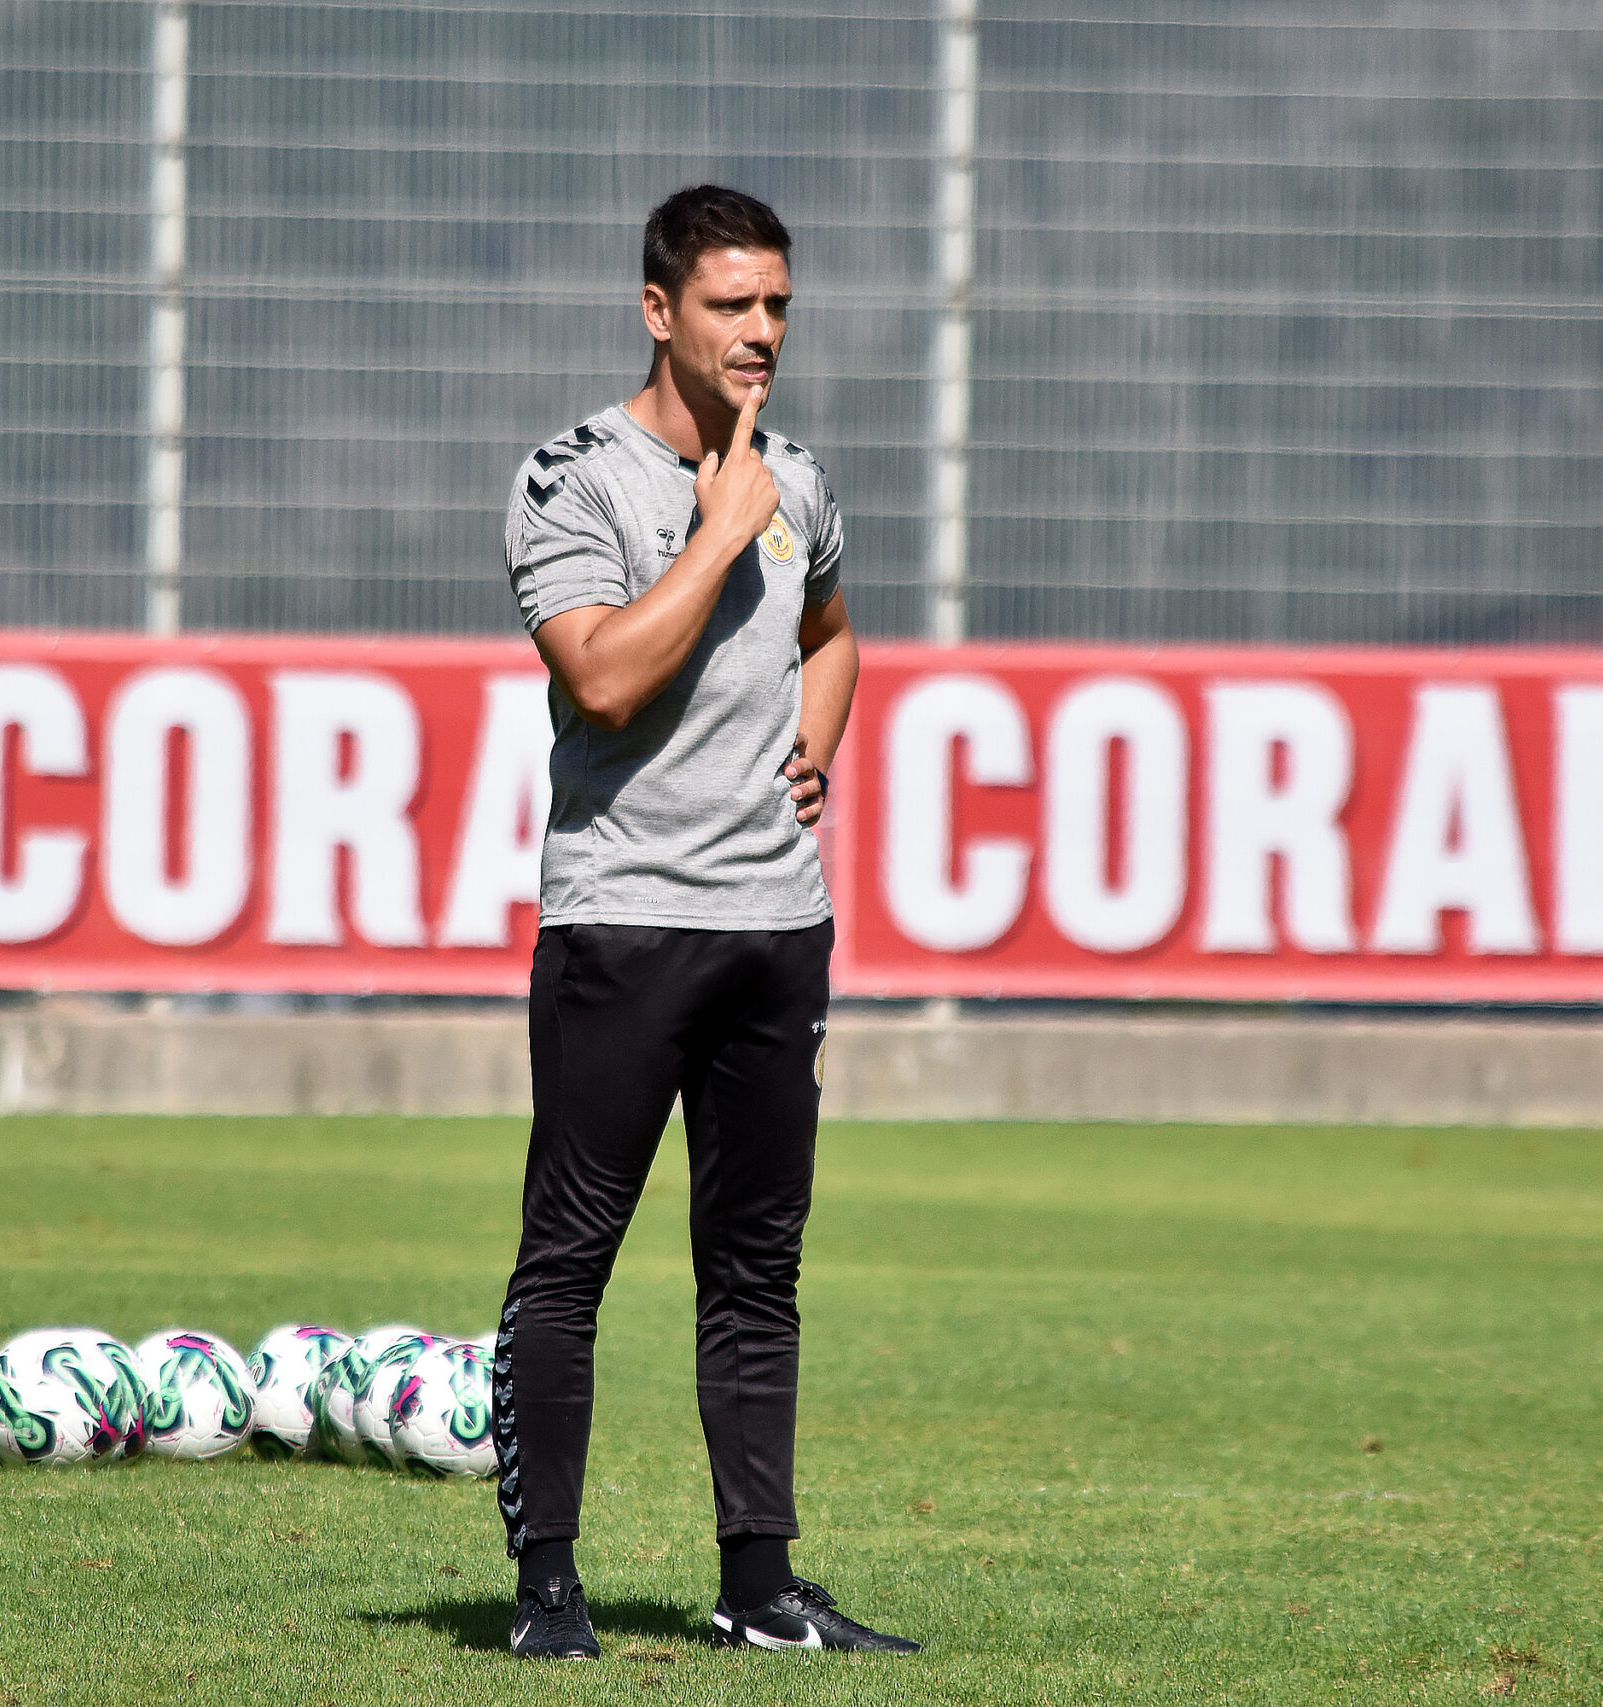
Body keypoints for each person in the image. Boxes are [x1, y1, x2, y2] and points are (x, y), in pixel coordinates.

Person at [490, 184, 919, 1661]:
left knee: (759, 1265)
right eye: (734, 306)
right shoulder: (571, 479)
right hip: (624, 922)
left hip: (774, 927)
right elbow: (602, 680)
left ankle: (760, 1585)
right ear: (660, 310)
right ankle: (548, 1589)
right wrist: (717, 535)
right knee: (571, 1259)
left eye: (780, 307)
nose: (763, 334)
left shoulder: (797, 479)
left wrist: (824, 729)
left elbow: (838, 632)